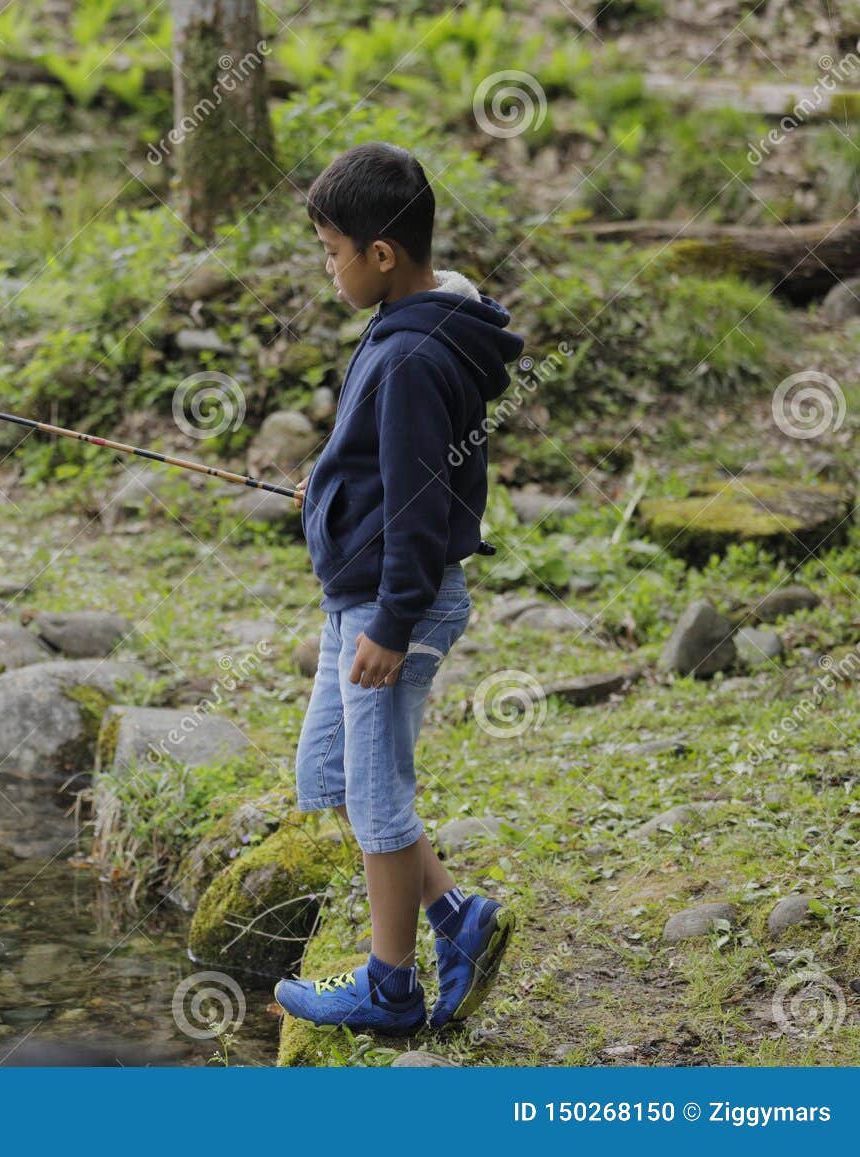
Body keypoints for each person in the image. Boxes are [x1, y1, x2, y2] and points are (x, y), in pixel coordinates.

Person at [275, 142, 524, 1034]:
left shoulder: (417, 354)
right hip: (366, 600)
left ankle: (391, 987)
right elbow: (389, 462)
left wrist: (391, 618)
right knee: (330, 772)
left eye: (330, 248)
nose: (326, 264)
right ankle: (457, 917)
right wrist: (331, 480)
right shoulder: (412, 321)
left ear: (381, 254)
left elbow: (421, 508)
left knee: (379, 798)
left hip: (396, 607)